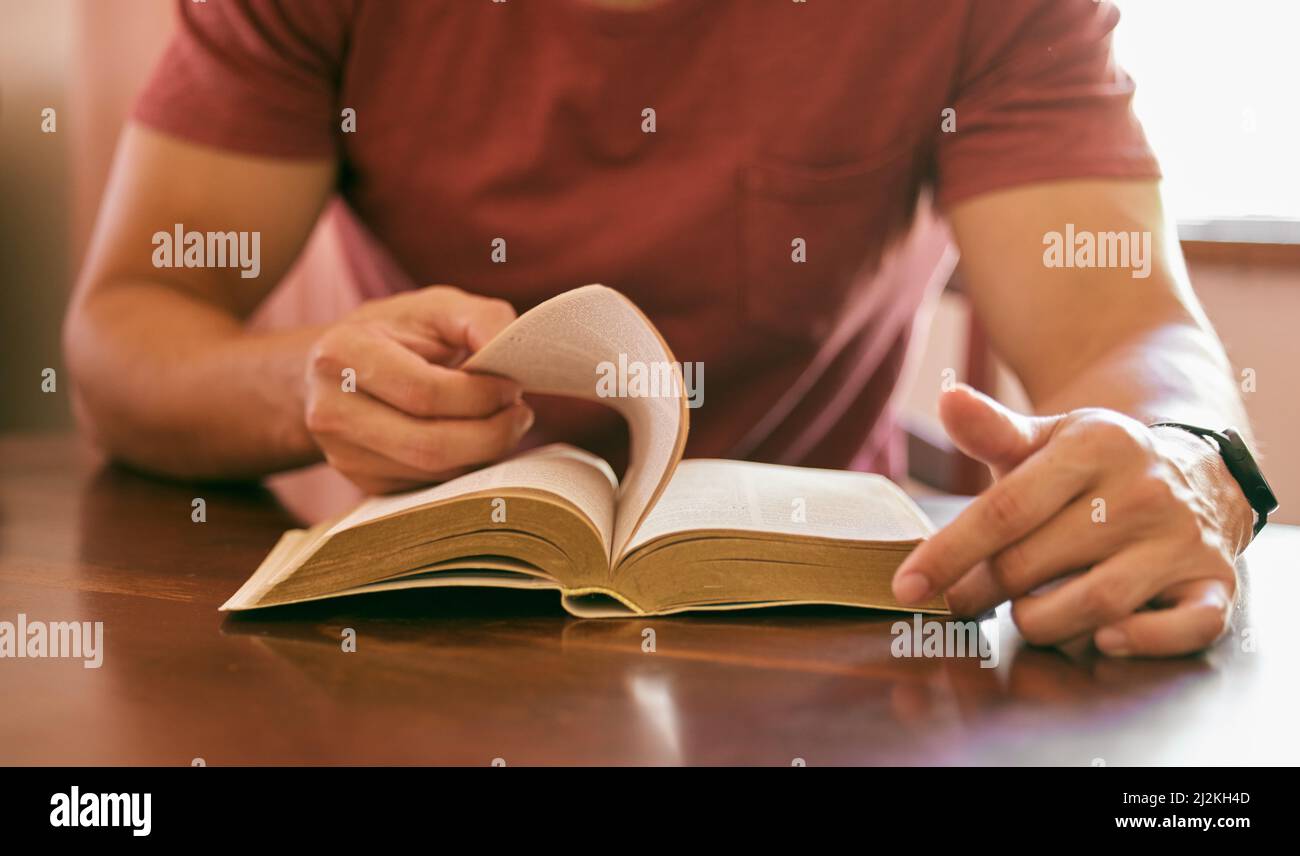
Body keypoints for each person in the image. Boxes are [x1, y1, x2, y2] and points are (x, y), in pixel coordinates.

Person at [65, 0, 1261, 657]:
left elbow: (1133, 327)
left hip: (834, 626)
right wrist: (304, 386)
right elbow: (122, 332)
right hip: (423, 609)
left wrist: (1187, 454)